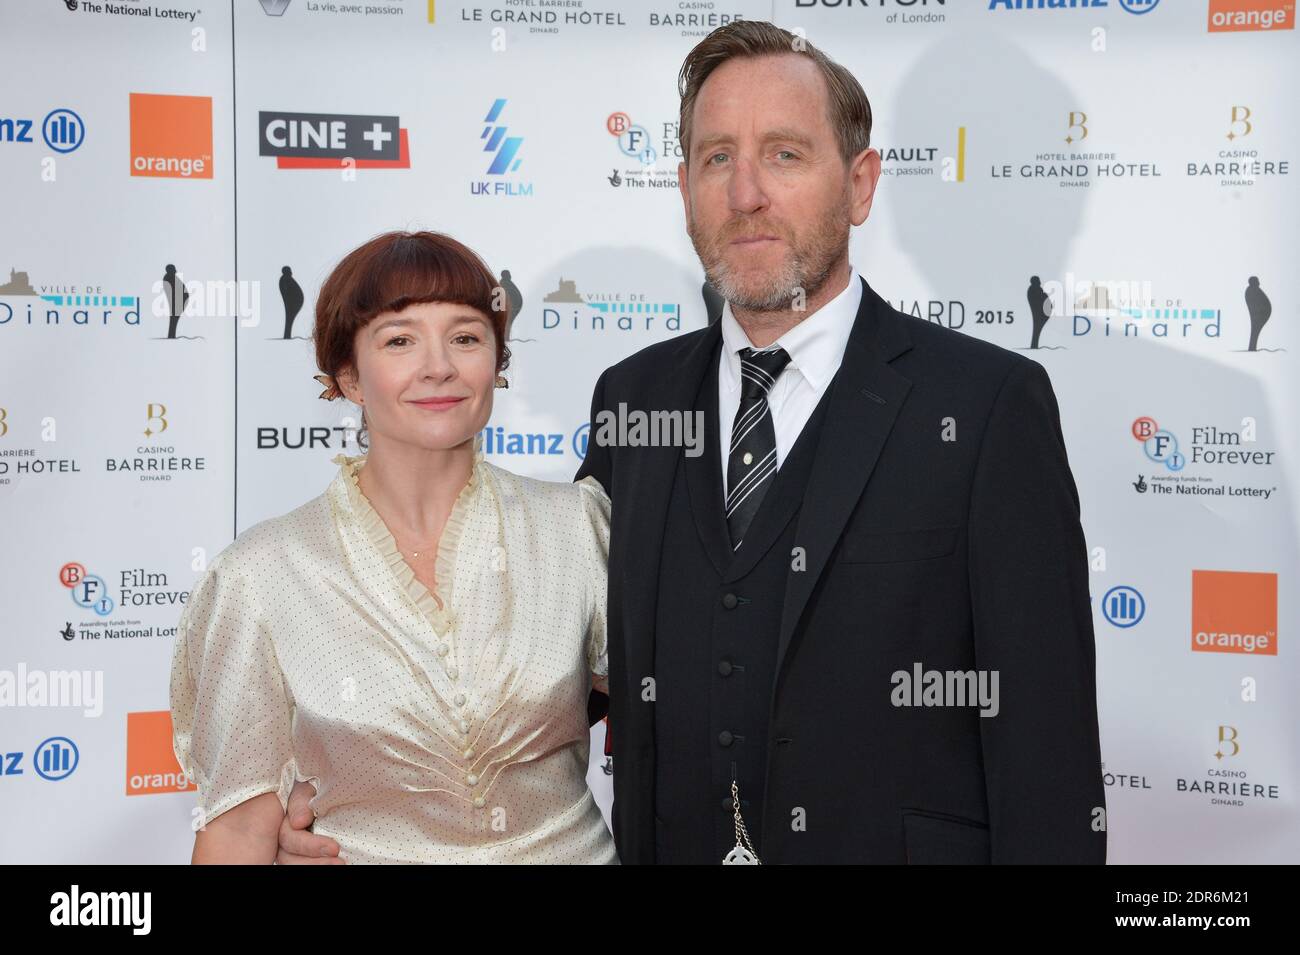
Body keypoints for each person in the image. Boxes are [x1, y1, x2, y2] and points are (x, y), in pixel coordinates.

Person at [280, 20, 1106, 865]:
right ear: (683, 188)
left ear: (860, 185)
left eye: (784, 155)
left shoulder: (986, 404)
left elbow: (1046, 746)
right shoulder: (633, 399)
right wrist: (365, 807)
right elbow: (550, 679)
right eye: (717, 158)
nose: (745, 192)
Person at [170, 230, 617, 864]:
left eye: (465, 337)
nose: (439, 366)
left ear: (497, 362)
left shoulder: (576, 527)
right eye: (400, 340)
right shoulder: (263, 574)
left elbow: (677, 719)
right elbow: (236, 832)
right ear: (349, 376)